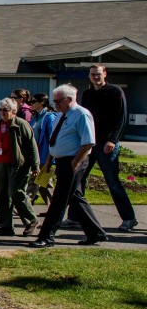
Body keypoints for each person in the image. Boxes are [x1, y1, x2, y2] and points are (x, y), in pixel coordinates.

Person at [30, 85, 109, 248]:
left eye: (58, 101)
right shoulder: (61, 115)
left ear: (69, 99)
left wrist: (74, 164)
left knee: (59, 199)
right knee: (75, 197)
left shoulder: (81, 115)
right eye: (54, 101)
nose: (55, 104)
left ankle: (47, 236)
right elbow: (55, 140)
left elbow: (88, 143)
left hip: (74, 161)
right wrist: (49, 160)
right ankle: (96, 233)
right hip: (60, 161)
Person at [81, 64, 137, 231]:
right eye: (92, 74)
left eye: (98, 74)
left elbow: (121, 118)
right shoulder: (87, 94)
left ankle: (129, 218)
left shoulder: (115, 92)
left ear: (105, 74)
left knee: (112, 182)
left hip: (107, 144)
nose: (95, 77)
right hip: (89, 143)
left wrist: (112, 140)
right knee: (79, 179)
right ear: (89, 76)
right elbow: (86, 120)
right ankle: (75, 217)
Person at [0, 97, 40, 237]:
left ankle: (31, 220)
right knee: (2, 196)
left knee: (16, 193)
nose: (2, 112)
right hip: (1, 164)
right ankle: (6, 226)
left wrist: (35, 165)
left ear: (14, 111)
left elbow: (32, 146)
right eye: (0, 110)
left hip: (17, 165)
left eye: (5, 110)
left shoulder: (21, 125)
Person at [28, 93, 58, 209]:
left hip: (45, 156)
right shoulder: (35, 117)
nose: (31, 104)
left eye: (33, 101)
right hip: (35, 155)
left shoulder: (49, 117)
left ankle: (25, 206)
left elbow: (52, 138)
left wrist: (51, 157)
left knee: (35, 182)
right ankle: (54, 209)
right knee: (45, 185)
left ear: (42, 102)